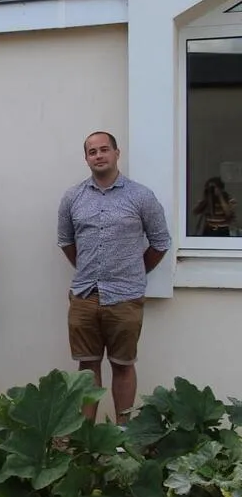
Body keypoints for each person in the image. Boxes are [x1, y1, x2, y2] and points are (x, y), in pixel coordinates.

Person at [58, 131, 171, 425]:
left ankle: (122, 436)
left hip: (125, 296)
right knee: (87, 367)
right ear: (86, 158)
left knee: (123, 365)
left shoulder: (140, 196)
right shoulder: (73, 197)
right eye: (92, 151)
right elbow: (66, 241)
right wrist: (88, 269)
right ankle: (86, 436)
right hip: (84, 295)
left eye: (104, 149)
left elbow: (160, 242)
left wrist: (134, 270)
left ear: (117, 153)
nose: (98, 155)